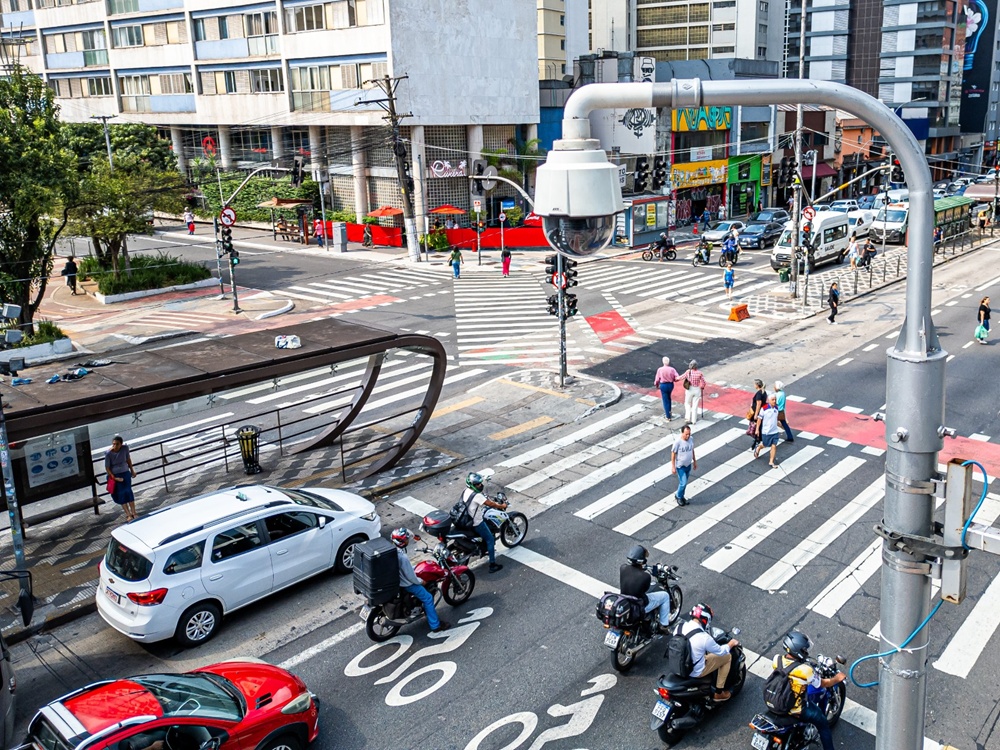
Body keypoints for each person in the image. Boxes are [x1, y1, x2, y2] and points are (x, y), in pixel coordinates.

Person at [770, 631, 846, 750]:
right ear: (798, 651)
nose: (806, 652)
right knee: (823, 725)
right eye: (805, 650)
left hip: (777, 700)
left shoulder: (777, 659)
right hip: (796, 709)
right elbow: (823, 683)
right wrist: (837, 678)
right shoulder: (805, 671)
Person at [391, 528, 451, 633]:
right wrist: (420, 581)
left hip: (398, 581)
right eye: (405, 540)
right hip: (407, 584)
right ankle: (435, 626)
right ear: (401, 542)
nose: (407, 541)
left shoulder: (391, 551)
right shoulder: (402, 557)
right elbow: (410, 577)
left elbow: (406, 569)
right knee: (427, 598)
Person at [679, 603, 739, 702]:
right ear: (705, 619)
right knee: (727, 656)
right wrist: (731, 643)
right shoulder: (704, 637)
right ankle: (719, 693)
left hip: (681, 666)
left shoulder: (679, 627)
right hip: (696, 671)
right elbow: (721, 651)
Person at [620, 545, 673, 633]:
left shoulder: (623, 568)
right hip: (639, 605)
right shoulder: (645, 576)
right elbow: (645, 589)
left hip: (625, 601)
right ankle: (664, 625)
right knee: (665, 596)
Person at [461, 472, 505, 572]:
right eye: (477, 484)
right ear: (472, 485)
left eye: (480, 483)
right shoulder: (477, 496)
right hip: (476, 522)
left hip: (467, 518)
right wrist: (502, 506)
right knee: (490, 540)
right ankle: (492, 565)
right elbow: (490, 504)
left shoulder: (466, 491)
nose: (480, 485)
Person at [105, 435, 137, 521]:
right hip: (116, 475)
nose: (115, 446)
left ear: (121, 444)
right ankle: (128, 514)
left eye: (117, 444)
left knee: (128, 491)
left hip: (125, 472)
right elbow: (107, 468)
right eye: (113, 444)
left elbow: (128, 459)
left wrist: (132, 470)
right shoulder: (108, 454)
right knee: (121, 494)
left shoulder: (125, 449)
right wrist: (115, 478)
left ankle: (134, 512)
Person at [671, 423, 697, 506]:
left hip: (688, 465)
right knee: (683, 482)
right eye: (686, 434)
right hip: (680, 466)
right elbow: (673, 454)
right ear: (682, 433)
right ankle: (678, 496)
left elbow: (692, 450)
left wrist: (694, 461)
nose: (688, 436)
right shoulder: (678, 442)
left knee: (685, 483)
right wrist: (673, 466)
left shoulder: (691, 439)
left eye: (689, 434)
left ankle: (682, 496)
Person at [755, 395, 782, 468]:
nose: (774, 401)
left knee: (774, 446)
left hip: (775, 431)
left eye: (775, 399)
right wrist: (757, 429)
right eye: (773, 400)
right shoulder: (764, 409)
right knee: (765, 445)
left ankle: (771, 461)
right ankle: (758, 448)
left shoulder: (776, 408)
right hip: (766, 431)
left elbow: (776, 419)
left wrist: (781, 426)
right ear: (769, 401)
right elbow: (759, 419)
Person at [677, 360, 706, 425]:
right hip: (697, 389)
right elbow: (703, 382)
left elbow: (681, 377)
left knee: (687, 403)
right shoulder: (700, 373)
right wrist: (702, 387)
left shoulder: (688, 372)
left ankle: (687, 418)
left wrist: (675, 378)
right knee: (695, 405)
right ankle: (694, 420)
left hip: (689, 389)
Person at [748, 379, 767, 452]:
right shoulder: (764, 392)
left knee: (756, 426)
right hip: (761, 411)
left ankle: (757, 439)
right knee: (759, 426)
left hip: (758, 412)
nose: (754, 385)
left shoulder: (759, 393)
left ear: (757, 385)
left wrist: (756, 414)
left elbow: (758, 404)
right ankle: (759, 438)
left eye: (754, 384)